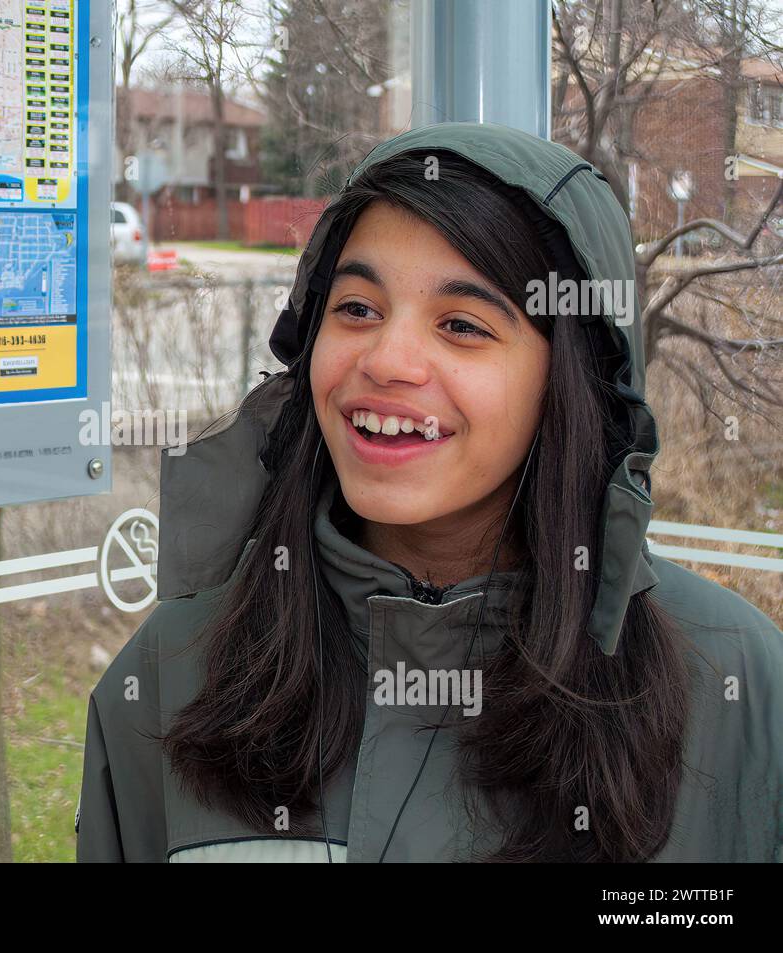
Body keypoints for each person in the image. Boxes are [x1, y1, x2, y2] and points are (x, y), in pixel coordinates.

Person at [76, 122, 783, 863]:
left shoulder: (741, 692)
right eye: (356, 309)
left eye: (462, 324)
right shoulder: (170, 675)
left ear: (567, 381)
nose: (388, 359)